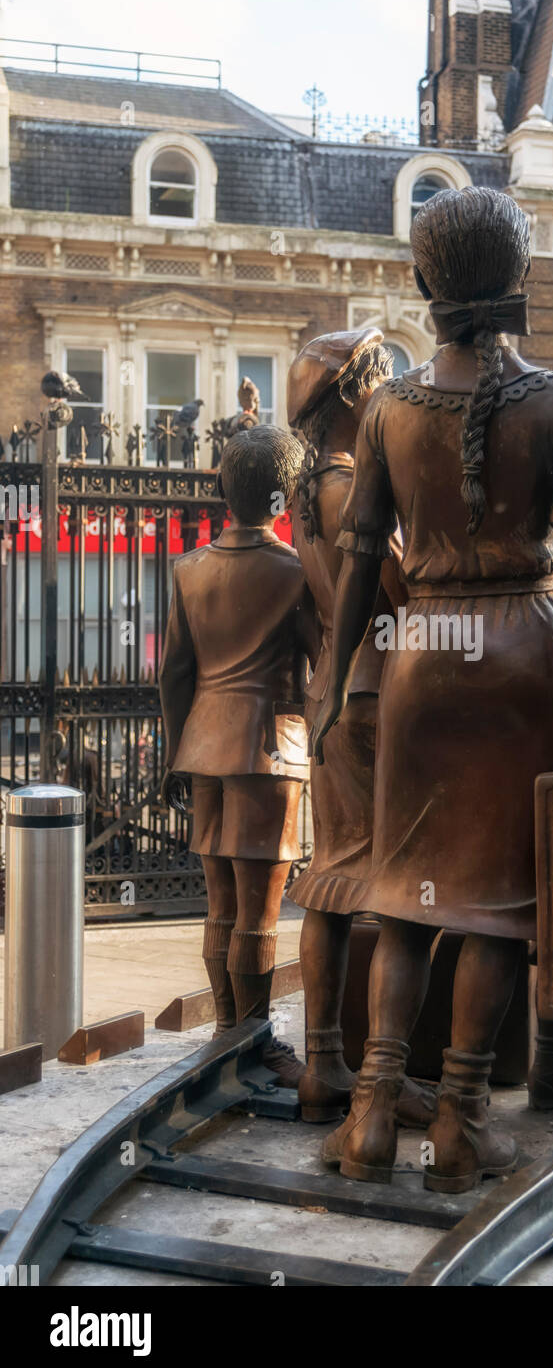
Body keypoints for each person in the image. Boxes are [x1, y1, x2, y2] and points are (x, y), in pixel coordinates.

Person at [311, 187, 553, 1192]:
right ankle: (461, 1120)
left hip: (423, 654)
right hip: (523, 656)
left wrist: (339, 682)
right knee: (500, 906)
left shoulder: (386, 411)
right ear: (520, 282)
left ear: (428, 285)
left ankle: (375, 1111)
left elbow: (352, 567)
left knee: (409, 895)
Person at [288, 328, 434, 1129]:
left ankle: (323, 1067)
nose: (387, 391)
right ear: (353, 397)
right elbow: (404, 589)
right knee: (397, 885)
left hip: (332, 699)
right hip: (377, 700)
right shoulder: (352, 491)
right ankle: (384, 1075)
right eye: (379, 378)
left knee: (333, 882)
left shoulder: (307, 489)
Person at [159, 425, 317, 1087]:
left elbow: (173, 673)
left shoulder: (189, 568)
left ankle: (228, 1032)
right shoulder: (297, 571)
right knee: (257, 911)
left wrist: (175, 754)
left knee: (219, 904)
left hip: (203, 745)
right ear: (287, 496)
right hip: (268, 752)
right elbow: (322, 665)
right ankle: (251, 1042)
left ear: (225, 490)